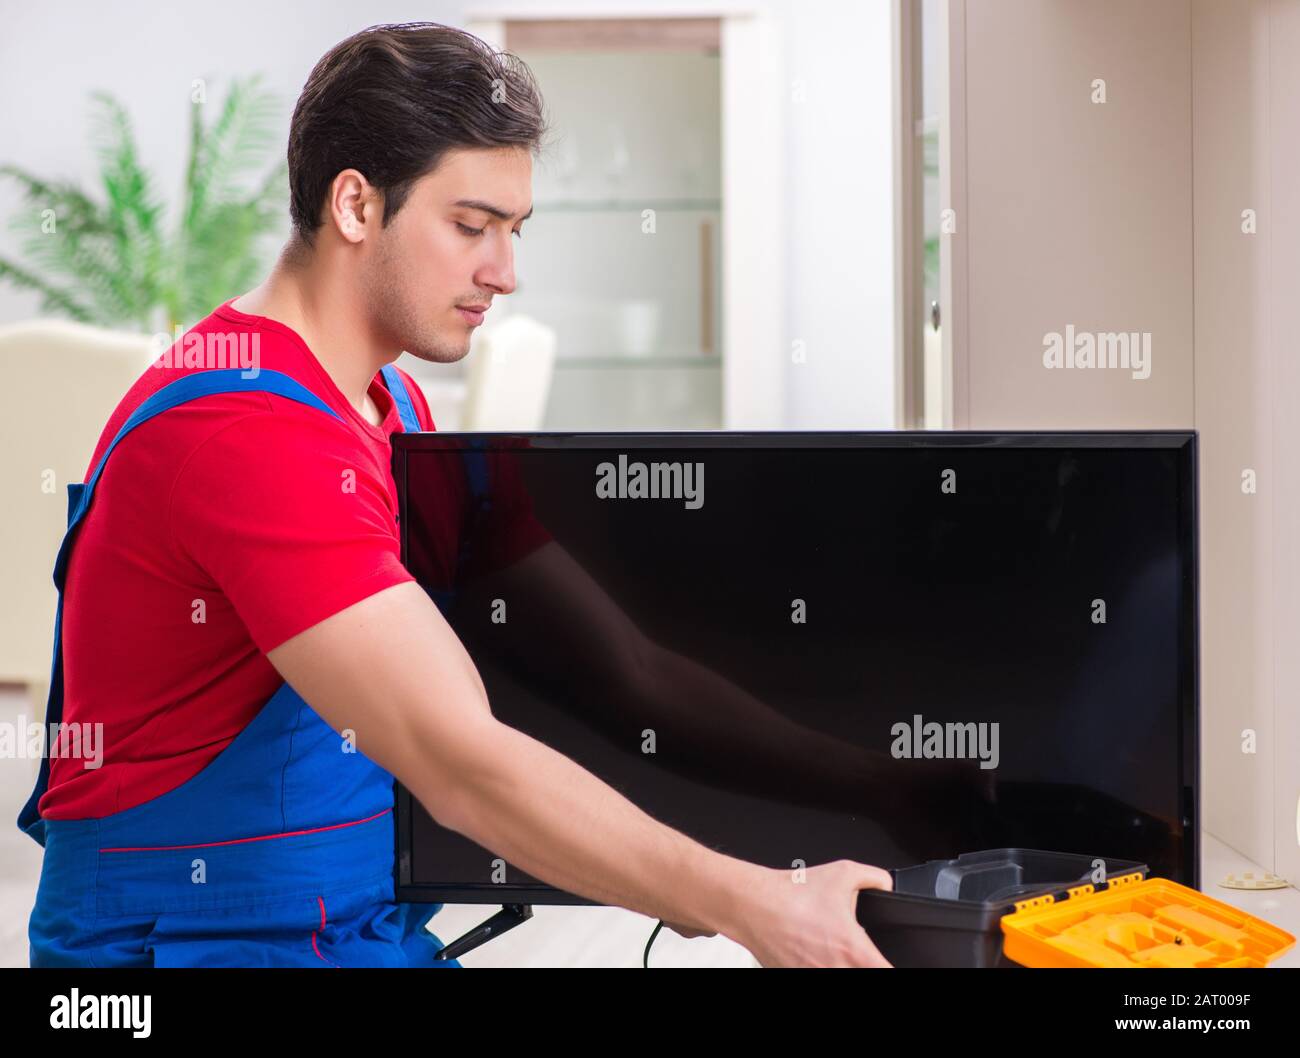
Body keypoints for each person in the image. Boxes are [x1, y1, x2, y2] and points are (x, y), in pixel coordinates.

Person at [20, 21, 894, 968]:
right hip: (185, 948)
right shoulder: (247, 431)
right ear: (355, 204)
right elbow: (459, 765)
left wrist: (876, 785)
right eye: (471, 227)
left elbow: (629, 672)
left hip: (346, 932)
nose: (504, 273)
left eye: (513, 233)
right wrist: (751, 906)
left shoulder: (390, 408)